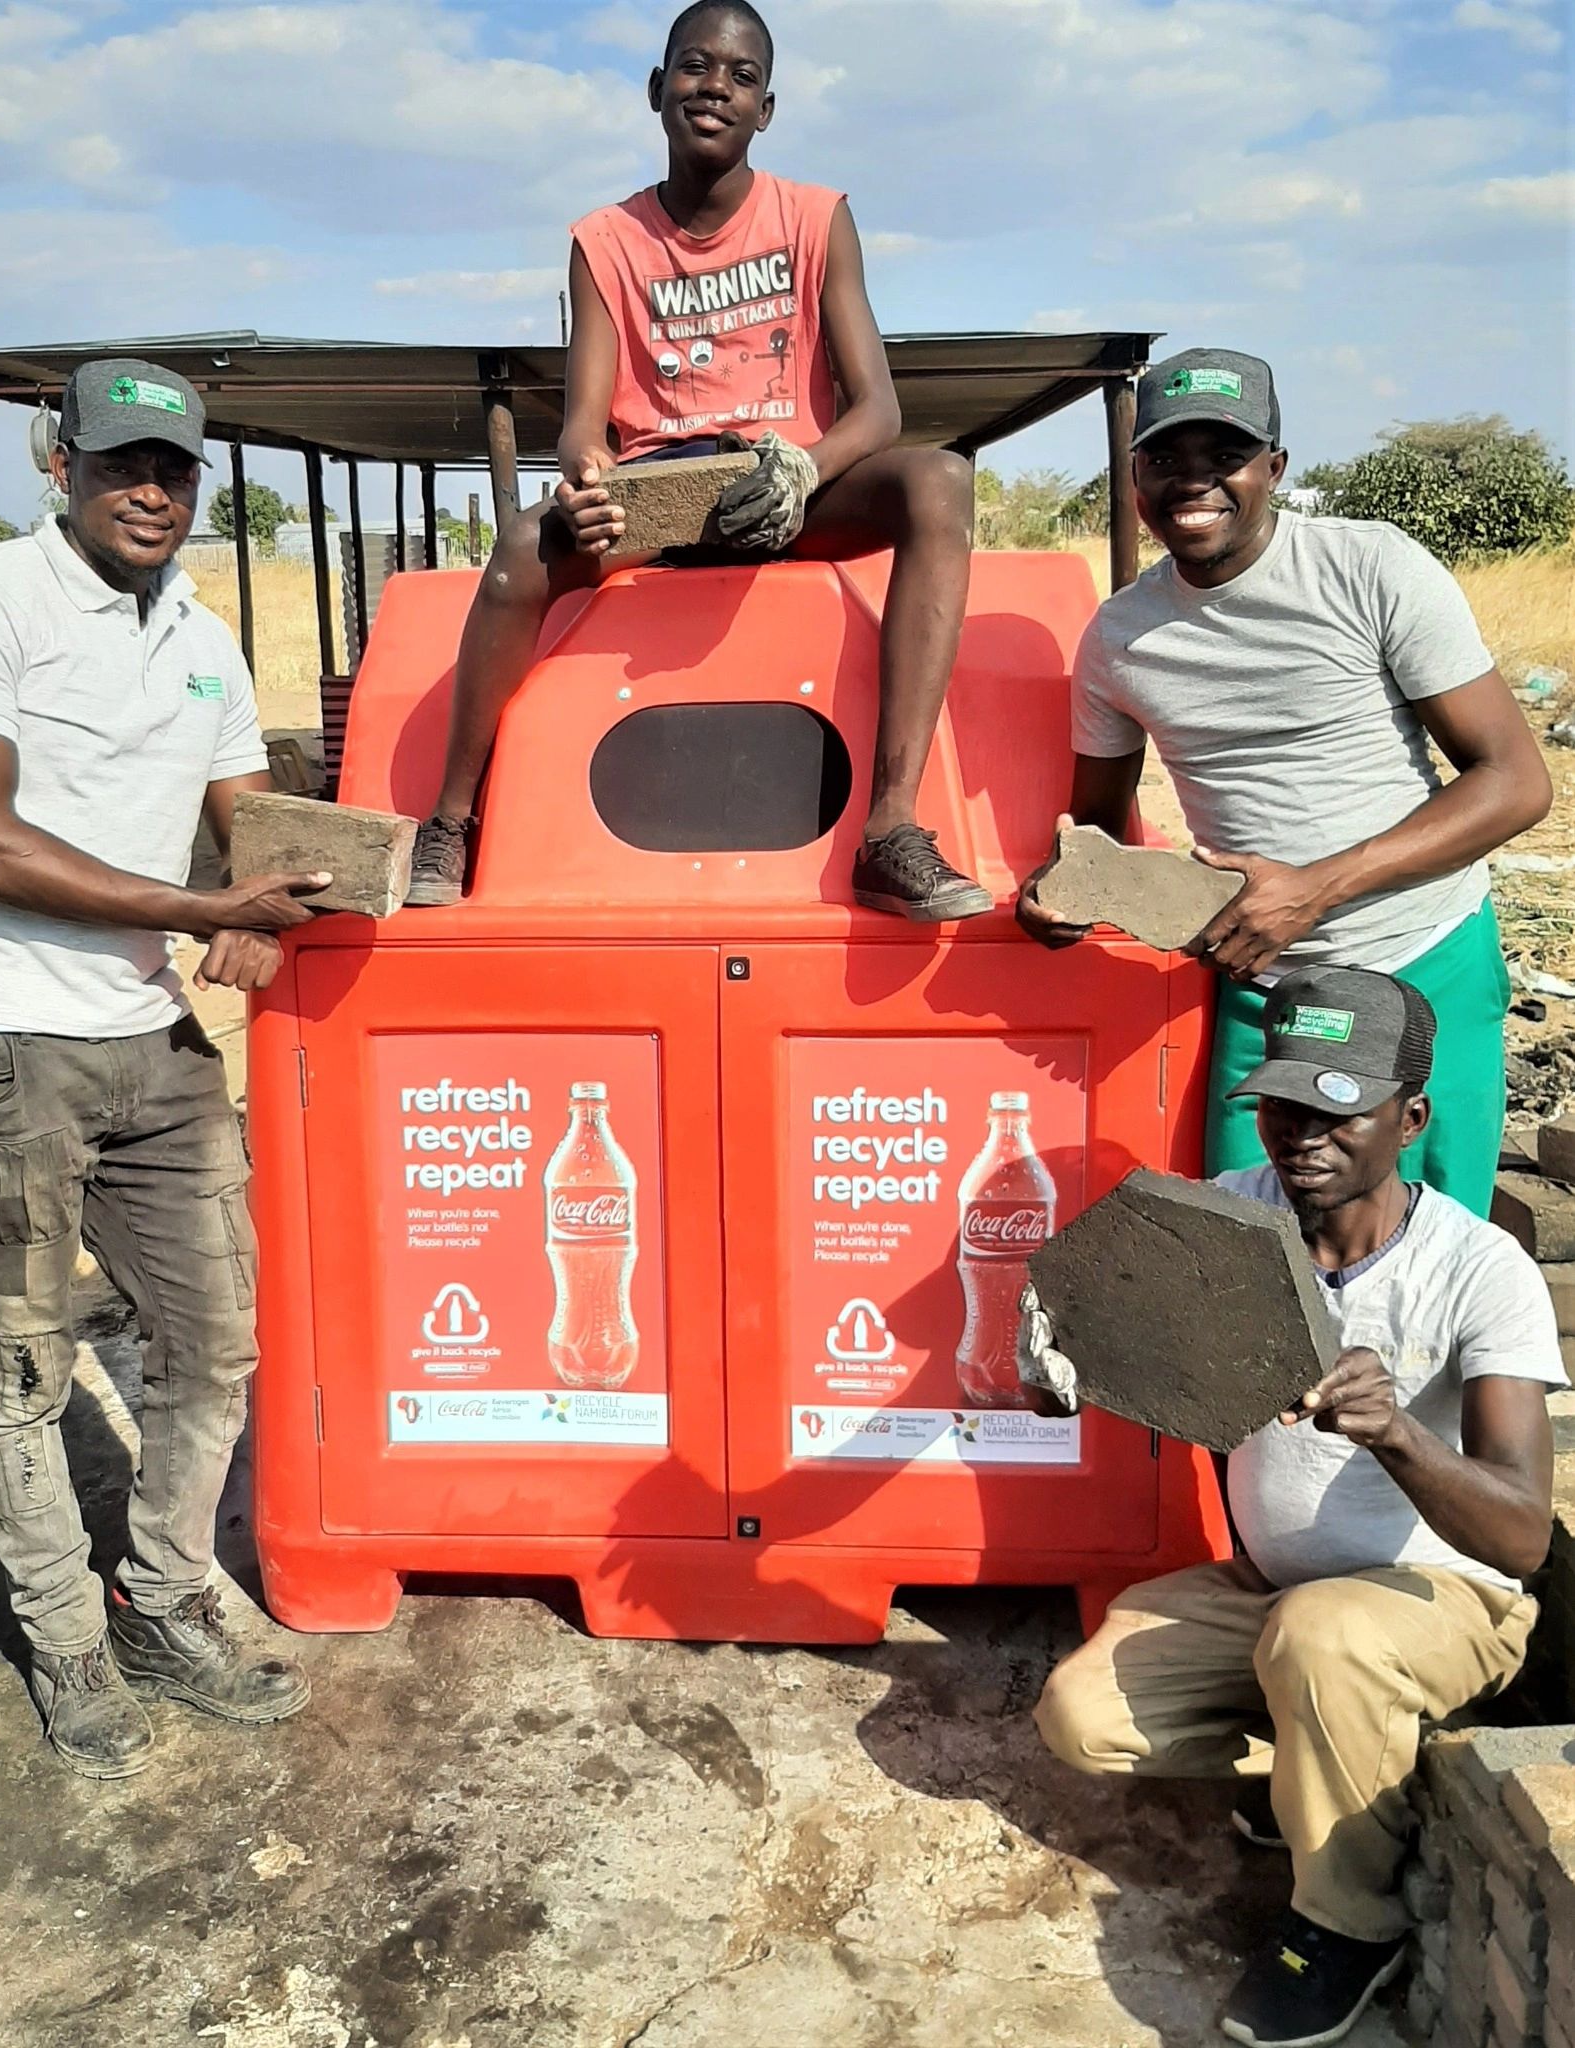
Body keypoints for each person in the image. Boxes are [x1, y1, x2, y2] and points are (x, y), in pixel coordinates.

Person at [0, 357, 329, 1778]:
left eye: (175, 470)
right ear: (58, 465)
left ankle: (161, 1602)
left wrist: (275, 912)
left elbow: (241, 811)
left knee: (215, 1341)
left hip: (144, 1033)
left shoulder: (198, 630)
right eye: (123, 462)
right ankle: (64, 1643)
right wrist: (205, 913)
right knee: (21, 1360)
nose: (150, 491)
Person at [1027, 966, 1564, 2048]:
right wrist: (1067, 1360)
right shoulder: (1227, 1214)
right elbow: (1149, 1364)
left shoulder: (1477, 1267)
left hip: (1445, 1595)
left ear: (1409, 1118)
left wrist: (1402, 1432)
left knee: (1323, 1640)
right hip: (1273, 1590)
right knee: (1081, 1714)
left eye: (1337, 1108)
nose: (1301, 1133)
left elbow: (1519, 1533)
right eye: (1282, 1103)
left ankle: (1347, 1924)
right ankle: (1324, 1767)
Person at [406, 0, 986, 923]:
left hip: (785, 491)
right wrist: (589, 479)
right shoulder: (605, 240)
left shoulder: (817, 218)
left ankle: (889, 830)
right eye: (694, 66)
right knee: (521, 550)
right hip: (663, 497)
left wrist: (802, 466)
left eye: (742, 76)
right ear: (655, 88)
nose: (715, 86)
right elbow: (584, 423)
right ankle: (452, 821)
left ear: (766, 110)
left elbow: (880, 408)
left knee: (939, 482)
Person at [1016, 348, 1551, 1214]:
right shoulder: (1119, 637)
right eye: (1165, 461)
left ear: (1273, 467)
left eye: (1222, 458)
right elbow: (1096, 835)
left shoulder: (1371, 568)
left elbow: (1516, 783)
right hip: (1265, 988)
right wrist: (1063, 895)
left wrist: (1313, 890)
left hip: (1423, 956)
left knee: (1434, 1246)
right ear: (1133, 476)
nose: (1194, 485)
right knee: (1262, 1262)